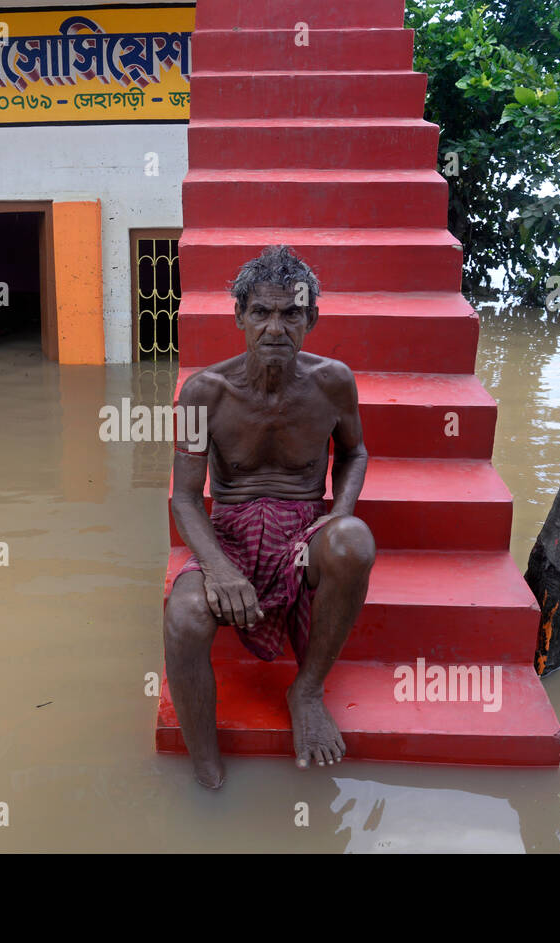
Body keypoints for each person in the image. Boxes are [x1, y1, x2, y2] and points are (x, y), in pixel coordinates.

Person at [164, 245, 376, 789]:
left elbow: (354, 453)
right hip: (229, 533)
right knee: (184, 617)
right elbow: (186, 499)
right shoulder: (202, 393)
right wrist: (218, 567)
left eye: (291, 313)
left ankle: (306, 690)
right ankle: (206, 768)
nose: (276, 327)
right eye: (261, 312)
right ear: (239, 316)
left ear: (312, 318)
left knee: (352, 540)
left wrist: (335, 519)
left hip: (302, 530)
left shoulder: (333, 382)